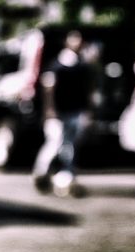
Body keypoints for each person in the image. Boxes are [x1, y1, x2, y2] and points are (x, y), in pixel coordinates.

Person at [32, 31, 93, 197]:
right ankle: (41, 173)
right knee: (55, 142)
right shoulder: (57, 65)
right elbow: (48, 88)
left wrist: (86, 111)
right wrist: (49, 110)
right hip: (57, 113)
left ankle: (66, 178)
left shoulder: (82, 66)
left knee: (70, 145)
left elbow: (86, 91)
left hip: (74, 112)